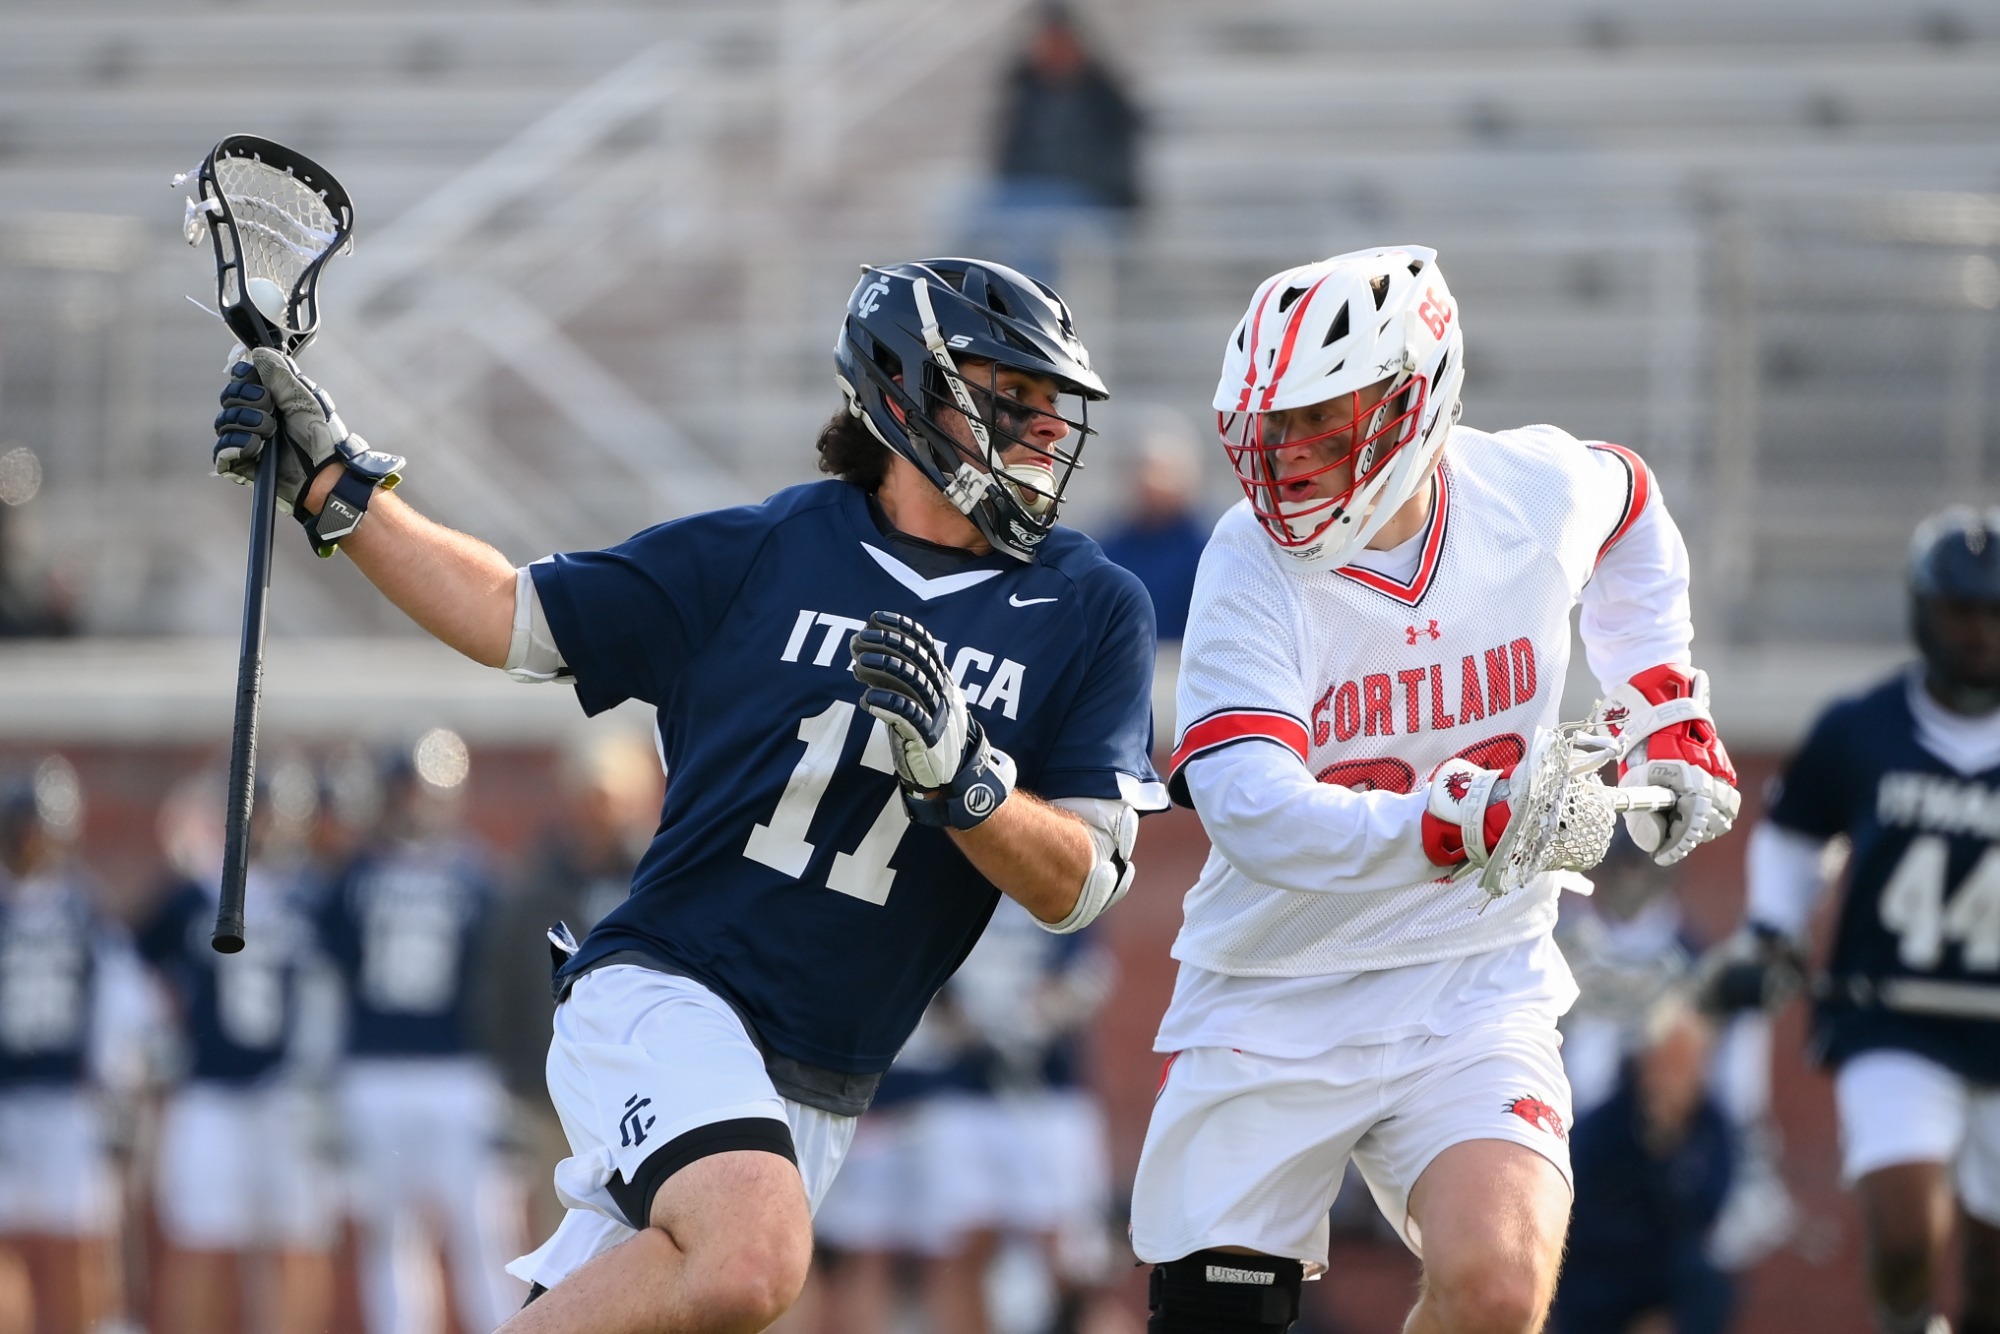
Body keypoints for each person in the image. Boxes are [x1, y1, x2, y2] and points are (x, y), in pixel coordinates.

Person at [207, 255, 1165, 1334]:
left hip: (825, 1072)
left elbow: (1080, 885)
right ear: (909, 391)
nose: (1045, 427)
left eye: (1052, 405)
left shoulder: (1088, 604)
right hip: (670, 989)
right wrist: (337, 488)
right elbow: (506, 613)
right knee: (752, 1252)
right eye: (1013, 394)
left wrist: (969, 780)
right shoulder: (763, 551)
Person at [1128, 245, 1741, 1334]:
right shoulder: (1247, 562)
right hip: (1278, 984)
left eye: (1320, 420)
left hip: (1470, 978)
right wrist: (1457, 822)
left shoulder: (1528, 488)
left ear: (1416, 399)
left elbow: (1631, 503)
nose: (1284, 456)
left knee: (1498, 1286)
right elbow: (1251, 809)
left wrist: (1660, 700)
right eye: (1270, 426)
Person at [1720, 506, 2000, 1334]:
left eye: (1994, 614)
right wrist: (1775, 928)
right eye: (1960, 612)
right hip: (1894, 1017)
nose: (1979, 634)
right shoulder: (1862, 729)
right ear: (1922, 611)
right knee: (1908, 1230)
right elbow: (1794, 833)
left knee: (1991, 1282)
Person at [310, 743, 526, 1334]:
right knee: (392, 1233)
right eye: (404, 791)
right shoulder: (353, 877)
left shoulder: (476, 878)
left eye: (422, 790)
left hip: (459, 1070)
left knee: (483, 1229)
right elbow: (324, 982)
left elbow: (502, 985)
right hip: (375, 1069)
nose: (413, 804)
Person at [136, 770, 337, 1334]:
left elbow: (341, 990)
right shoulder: (192, 894)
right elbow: (135, 972)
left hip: (289, 1095)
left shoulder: (315, 897)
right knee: (202, 1242)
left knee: (297, 1244)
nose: (268, 827)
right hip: (209, 1091)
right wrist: (156, 1045)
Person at [0, 761, 151, 1334]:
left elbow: (120, 1007)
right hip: (8, 1096)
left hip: (69, 1100)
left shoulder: (82, 907)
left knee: (80, 1245)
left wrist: (117, 1091)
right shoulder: (77, 906)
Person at [1552, 993, 1736, 1334]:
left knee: (1709, 1284)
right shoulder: (1603, 1125)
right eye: (1668, 1061)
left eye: (1688, 1063)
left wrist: (1666, 1153)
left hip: (1668, 1270)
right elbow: (1583, 1210)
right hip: (1603, 1269)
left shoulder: (1712, 1128)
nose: (1675, 1077)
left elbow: (1707, 1210)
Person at [1098, 420, 1208, 641]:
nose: (1152, 483)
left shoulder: (1207, 550)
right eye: (1145, 471)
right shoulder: (1107, 550)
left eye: (1164, 474)